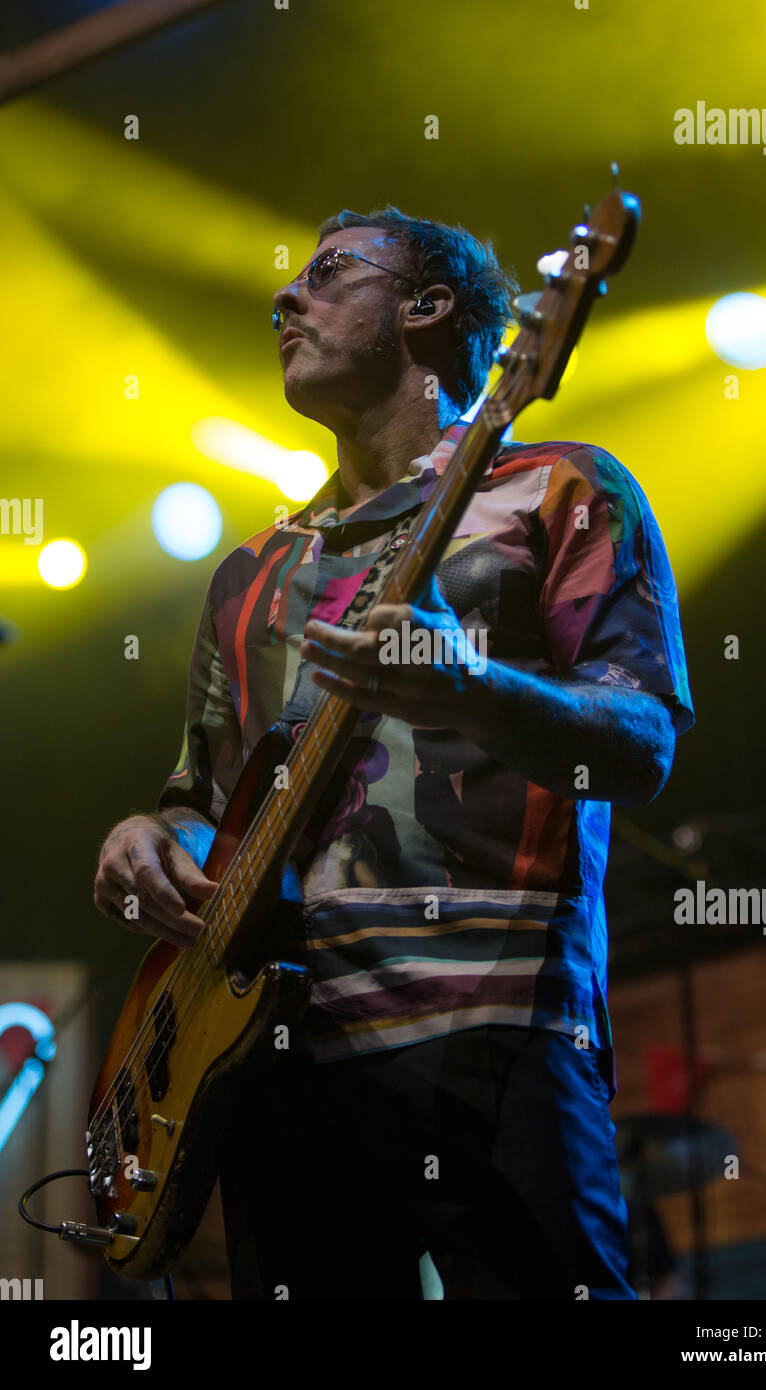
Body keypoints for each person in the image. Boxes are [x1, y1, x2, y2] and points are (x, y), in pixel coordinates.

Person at [93, 204, 695, 1300]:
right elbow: (203, 798)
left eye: (328, 274)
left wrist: (472, 687)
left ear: (426, 310)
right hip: (269, 1059)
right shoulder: (251, 569)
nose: (286, 298)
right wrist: (150, 835)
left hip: (491, 1026)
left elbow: (641, 742)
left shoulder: (562, 488)